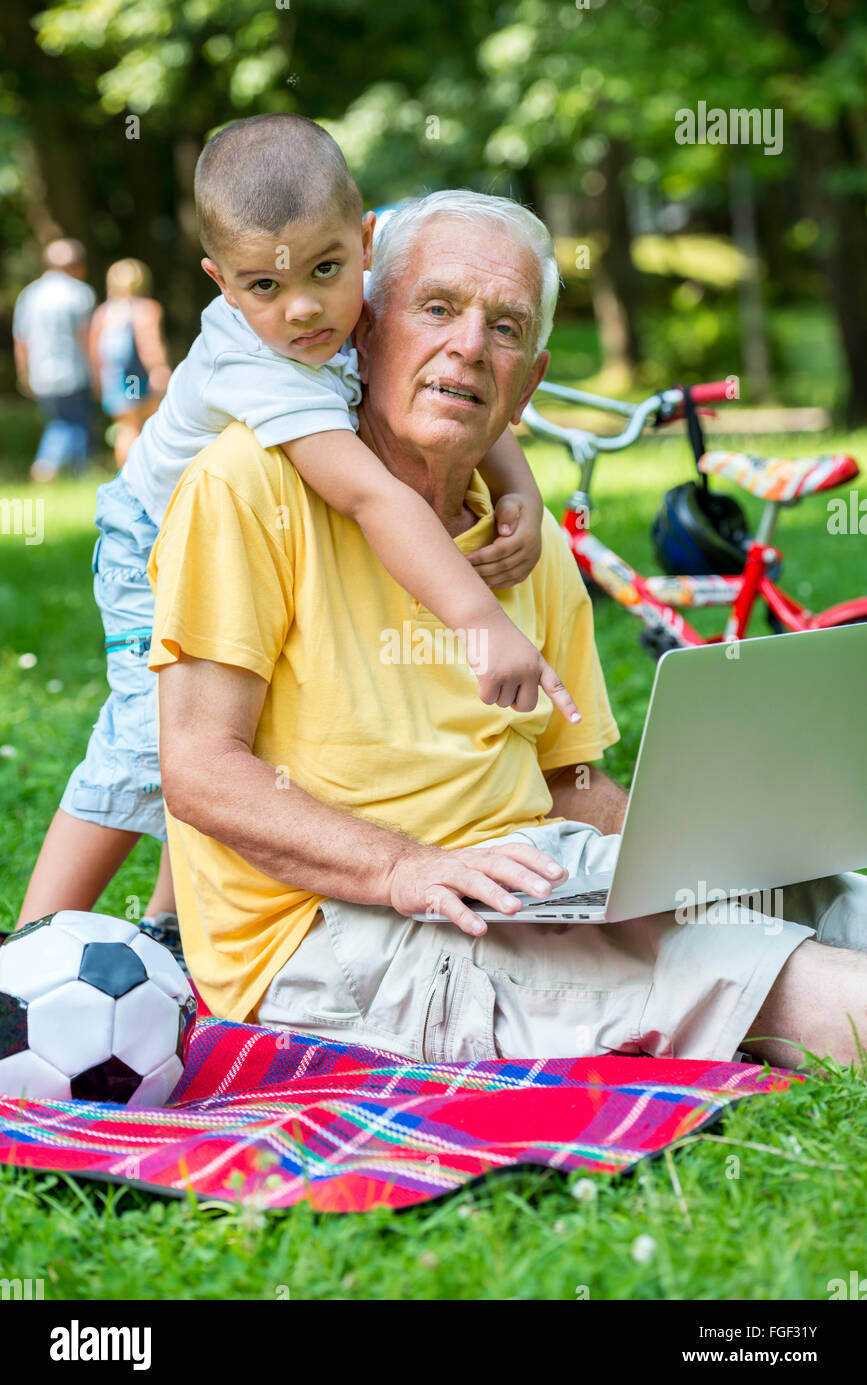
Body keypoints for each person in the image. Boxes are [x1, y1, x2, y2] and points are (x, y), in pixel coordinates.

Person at [148, 191, 867, 1068]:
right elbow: (198, 769)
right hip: (336, 929)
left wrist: (703, 853)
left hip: (530, 876)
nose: (467, 347)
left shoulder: (526, 547)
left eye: (503, 327)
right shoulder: (246, 489)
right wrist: (401, 869)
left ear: (528, 381)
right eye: (438, 308)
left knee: (818, 894)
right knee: (763, 974)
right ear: (363, 331)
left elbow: (566, 785)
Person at [16, 116, 574, 953]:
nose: (305, 308)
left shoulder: (341, 300)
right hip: (148, 541)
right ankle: (28, 950)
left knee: (251, 709)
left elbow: (459, 382)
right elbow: (370, 499)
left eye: (325, 269)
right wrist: (480, 622)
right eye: (264, 288)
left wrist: (518, 486)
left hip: (241, 534)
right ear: (220, 282)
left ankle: (172, 925)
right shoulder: (261, 361)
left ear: (366, 243)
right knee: (153, 738)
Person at [12, 238, 95, 483]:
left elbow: (21, 340)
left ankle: (67, 472)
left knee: (59, 421)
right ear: (76, 265)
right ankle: (51, 467)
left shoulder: (29, 294)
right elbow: (86, 338)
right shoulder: (80, 293)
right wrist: (98, 374)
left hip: (41, 373)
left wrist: (23, 374)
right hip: (75, 370)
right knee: (75, 424)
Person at [90, 258, 171, 467]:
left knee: (125, 427)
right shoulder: (145, 308)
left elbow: (95, 350)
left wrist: (98, 381)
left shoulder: (104, 312)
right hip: (136, 376)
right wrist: (159, 369)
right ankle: (142, 473)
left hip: (114, 378)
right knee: (144, 425)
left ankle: (125, 474)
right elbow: (149, 344)